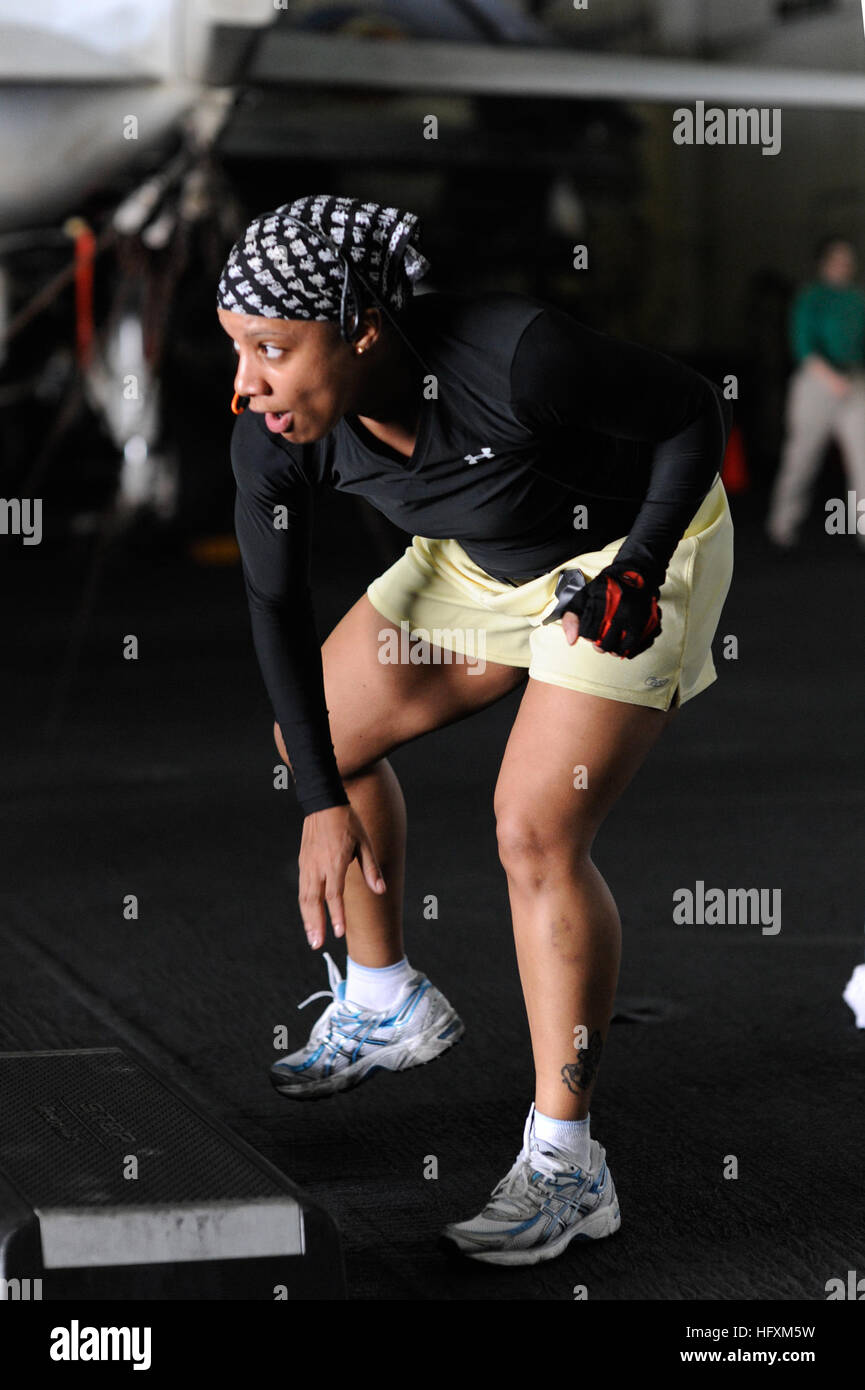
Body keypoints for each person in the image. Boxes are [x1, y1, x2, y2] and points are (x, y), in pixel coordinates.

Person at [217, 193, 734, 1267]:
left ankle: (566, 1162)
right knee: (314, 739)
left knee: (533, 831)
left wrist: (638, 568)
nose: (245, 381)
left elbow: (692, 412)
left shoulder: (516, 358)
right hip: (470, 556)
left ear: (361, 327)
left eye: (272, 348)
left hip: (623, 554)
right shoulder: (274, 436)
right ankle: (383, 997)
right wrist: (317, 800)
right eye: (237, 350)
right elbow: (273, 611)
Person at [766, 235, 865, 551]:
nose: (843, 266)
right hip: (816, 383)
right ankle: (783, 527)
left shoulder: (858, 299)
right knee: (802, 457)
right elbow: (803, 347)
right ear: (824, 263)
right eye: (836, 260)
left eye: (847, 260)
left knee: (863, 459)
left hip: (854, 381)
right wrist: (832, 379)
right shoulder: (811, 297)